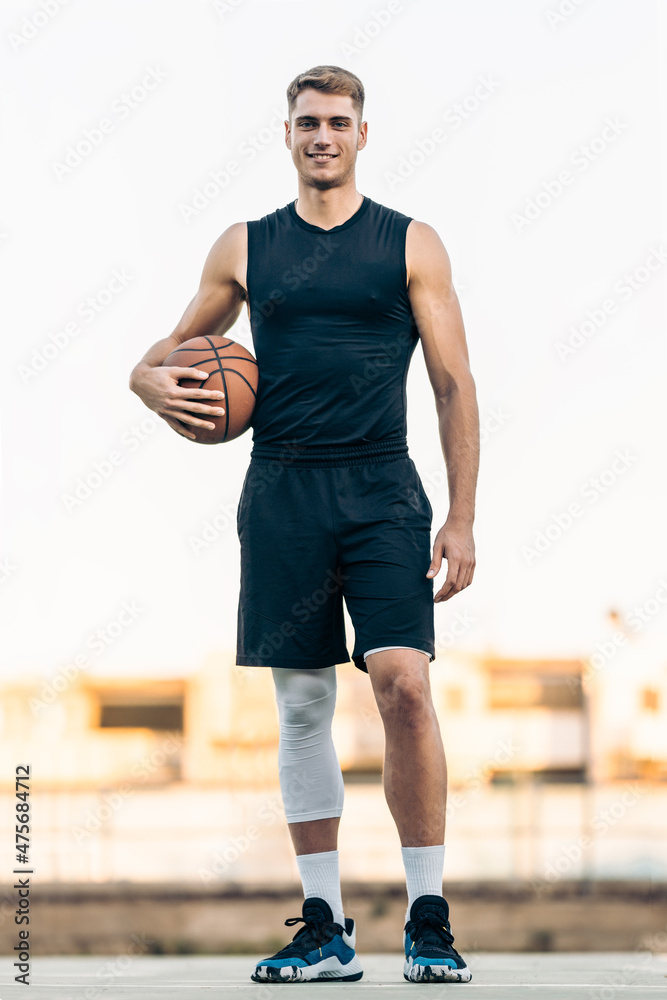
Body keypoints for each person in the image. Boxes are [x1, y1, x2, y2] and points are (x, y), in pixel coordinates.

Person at [129, 64, 479, 985]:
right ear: (285, 135)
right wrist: (142, 382)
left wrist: (464, 517)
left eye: (336, 122)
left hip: (382, 492)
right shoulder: (244, 247)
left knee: (401, 682)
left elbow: (452, 384)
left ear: (363, 135)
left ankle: (428, 917)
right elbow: (164, 356)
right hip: (281, 490)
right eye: (305, 122)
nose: (320, 136)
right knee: (302, 704)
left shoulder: (412, 244)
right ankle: (323, 924)